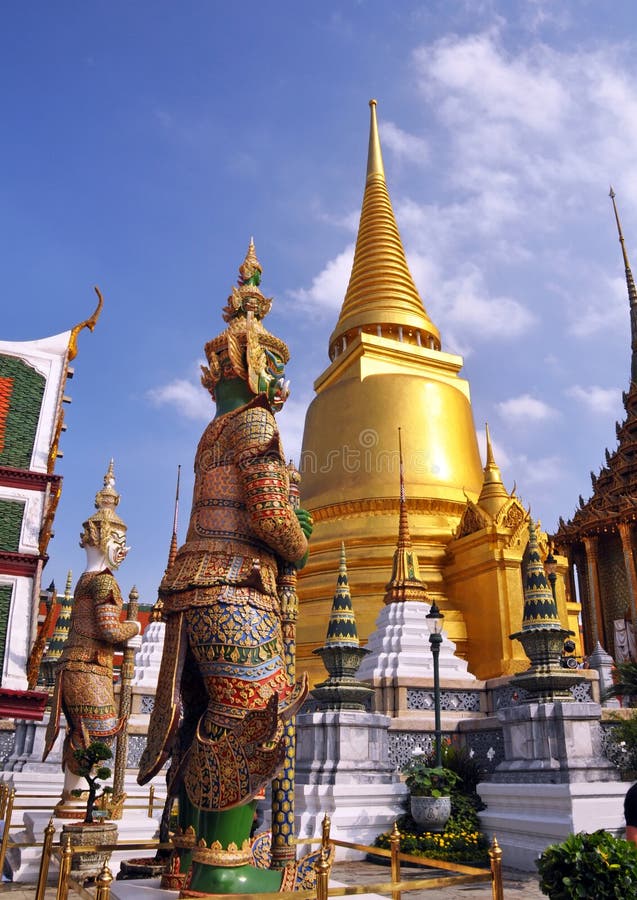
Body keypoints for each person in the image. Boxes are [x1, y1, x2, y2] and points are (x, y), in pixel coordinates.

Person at [138, 241, 312, 893]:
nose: (275, 378)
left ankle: (186, 850)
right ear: (254, 364)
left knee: (204, 718)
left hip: (193, 588)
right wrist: (302, 542)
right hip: (236, 585)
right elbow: (271, 521)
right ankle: (224, 870)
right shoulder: (255, 427)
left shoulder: (213, 431)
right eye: (271, 362)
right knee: (248, 717)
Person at [43, 462, 141, 783]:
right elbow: (110, 630)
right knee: (98, 732)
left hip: (74, 666)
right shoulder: (104, 583)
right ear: (102, 540)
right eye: (119, 541)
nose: (124, 550)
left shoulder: (87, 579)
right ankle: (81, 797)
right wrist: (136, 629)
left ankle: (74, 797)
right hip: (88, 667)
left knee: (83, 732)